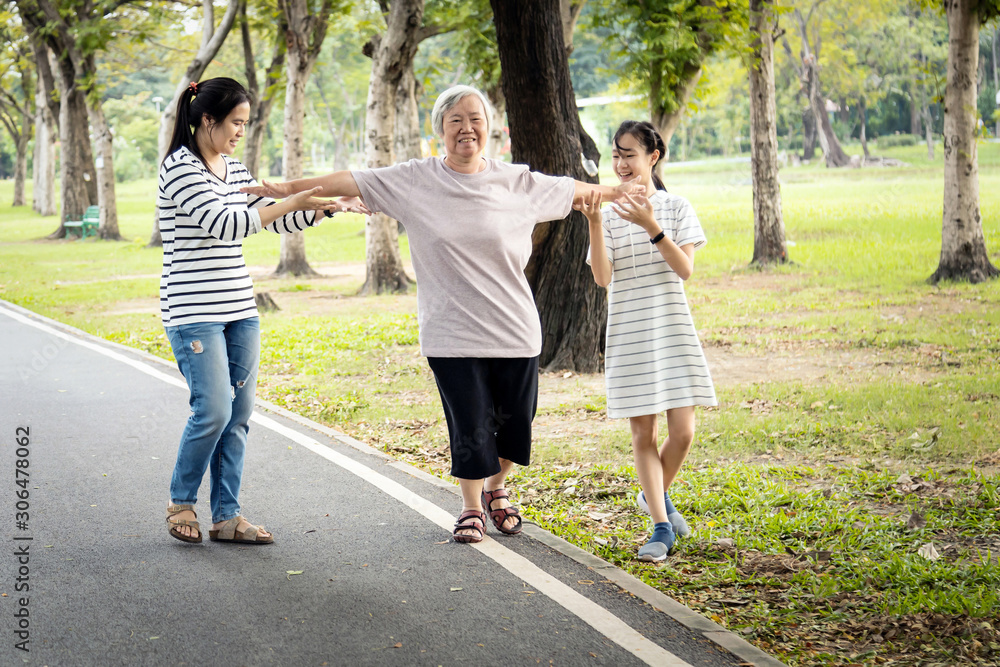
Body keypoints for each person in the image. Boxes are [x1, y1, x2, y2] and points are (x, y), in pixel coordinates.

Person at [242, 85, 641, 544]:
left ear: (490, 129)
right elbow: (350, 181)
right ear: (440, 131)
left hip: (515, 330)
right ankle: (472, 507)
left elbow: (581, 191)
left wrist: (620, 190)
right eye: (455, 120)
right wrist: (287, 188)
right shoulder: (415, 180)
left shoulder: (519, 182)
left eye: (475, 118)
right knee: (470, 425)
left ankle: (497, 489)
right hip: (450, 332)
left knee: (515, 427)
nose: (466, 128)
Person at [159, 77, 357, 545]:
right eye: (235, 123)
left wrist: (324, 207)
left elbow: (275, 216)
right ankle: (180, 501)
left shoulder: (232, 167)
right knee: (213, 409)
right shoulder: (180, 170)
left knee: (239, 413)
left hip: (239, 310)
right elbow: (227, 224)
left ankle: (227, 516)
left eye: (245, 125)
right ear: (207, 120)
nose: (240, 133)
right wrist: (289, 200)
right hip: (194, 310)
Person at [579, 120, 717, 562]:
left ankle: (652, 495)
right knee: (644, 434)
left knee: (683, 433)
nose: (620, 164)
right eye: (615, 155)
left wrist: (652, 224)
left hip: (671, 328)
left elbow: (685, 270)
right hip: (629, 331)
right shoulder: (609, 210)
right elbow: (602, 277)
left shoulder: (676, 207)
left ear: (652, 157)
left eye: (629, 154)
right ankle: (661, 525)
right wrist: (597, 223)